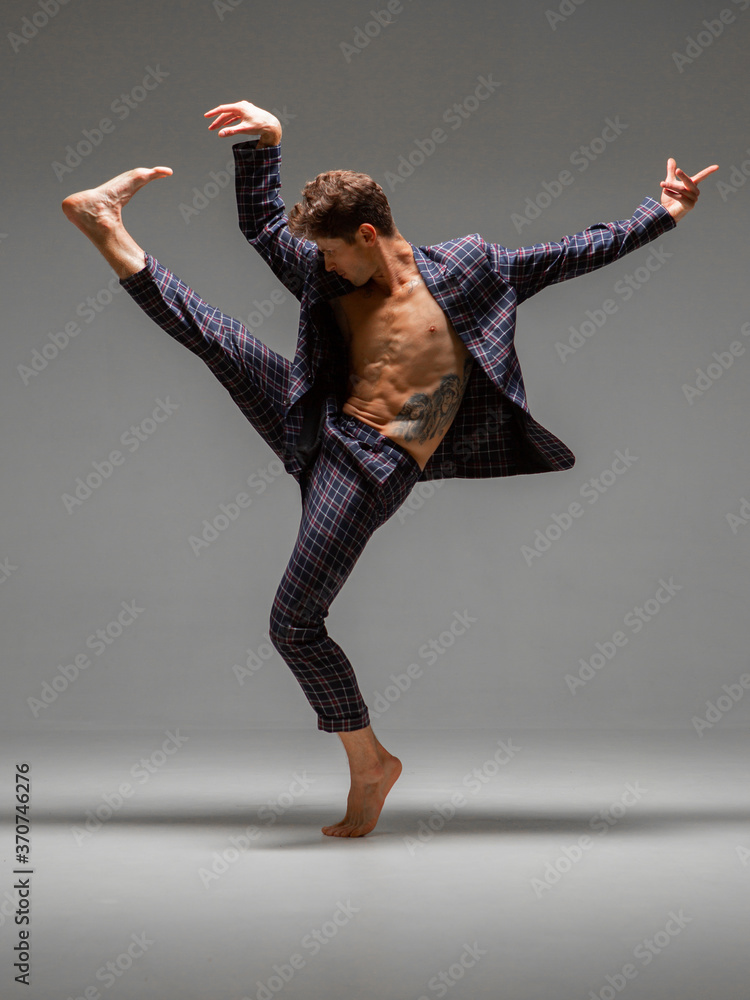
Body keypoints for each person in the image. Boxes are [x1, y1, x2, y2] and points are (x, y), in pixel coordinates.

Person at [61, 99, 718, 837]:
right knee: (218, 339)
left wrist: (662, 212)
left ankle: (369, 762)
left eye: (335, 252)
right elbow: (262, 228)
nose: (324, 266)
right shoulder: (335, 278)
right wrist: (263, 145)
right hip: (320, 418)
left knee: (293, 622)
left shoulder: (473, 272)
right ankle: (106, 224)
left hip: (374, 462)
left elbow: (574, 252)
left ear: (368, 234)